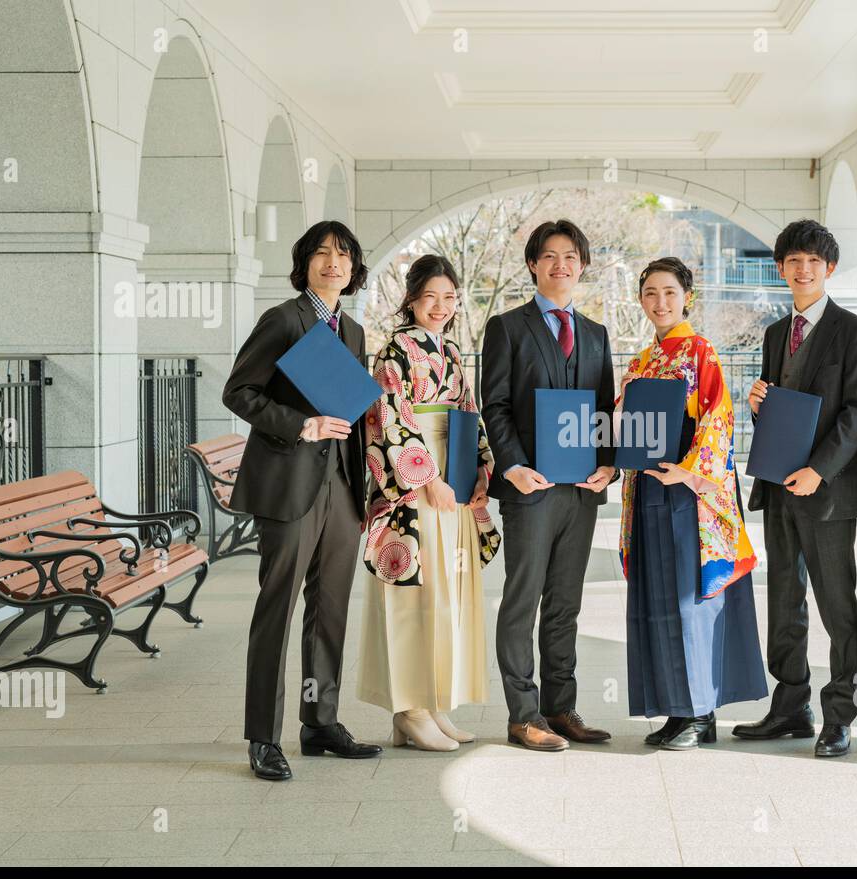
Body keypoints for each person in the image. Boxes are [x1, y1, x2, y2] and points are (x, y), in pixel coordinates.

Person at [223, 220, 383, 781]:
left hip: (341, 488)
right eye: (320, 253)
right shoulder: (283, 320)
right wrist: (300, 426)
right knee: (278, 609)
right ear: (304, 263)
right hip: (291, 486)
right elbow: (239, 391)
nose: (332, 263)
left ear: (354, 267)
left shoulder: (354, 332)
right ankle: (263, 737)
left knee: (329, 610)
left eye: (342, 255)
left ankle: (319, 721)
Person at [739, 219, 857, 758]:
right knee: (785, 600)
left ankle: (840, 712)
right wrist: (757, 407)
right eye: (793, 262)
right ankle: (791, 704)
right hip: (778, 489)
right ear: (780, 268)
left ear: (829, 269)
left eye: (813, 263)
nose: (802, 270)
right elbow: (783, 412)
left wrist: (819, 469)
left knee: (837, 605)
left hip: (828, 493)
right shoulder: (776, 334)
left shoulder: (852, 332)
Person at [480, 219, 618, 751]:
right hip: (529, 488)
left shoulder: (595, 334)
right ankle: (523, 714)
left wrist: (608, 464)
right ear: (534, 264)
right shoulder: (507, 327)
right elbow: (493, 403)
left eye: (571, 256)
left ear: (582, 264)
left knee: (566, 602)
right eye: (550, 256)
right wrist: (511, 465)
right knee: (523, 599)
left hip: (580, 490)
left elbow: (603, 408)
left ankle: (561, 709)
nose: (561, 265)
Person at [618, 258, 767, 750]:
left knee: (689, 601)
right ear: (641, 300)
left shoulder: (700, 350)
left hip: (687, 488)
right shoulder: (641, 360)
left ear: (687, 297)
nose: (660, 302)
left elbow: (718, 416)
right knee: (656, 600)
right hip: (647, 486)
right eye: (650, 293)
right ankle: (674, 708)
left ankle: (700, 712)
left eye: (669, 292)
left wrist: (692, 471)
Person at [355, 254, 501, 752]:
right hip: (412, 481)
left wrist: (478, 471)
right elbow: (387, 417)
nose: (440, 306)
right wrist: (426, 479)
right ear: (412, 300)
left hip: (452, 475)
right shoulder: (393, 352)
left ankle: (434, 700)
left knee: (446, 589)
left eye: (449, 297)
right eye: (430, 297)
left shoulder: (452, 351)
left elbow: (468, 412)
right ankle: (408, 707)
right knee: (411, 590)